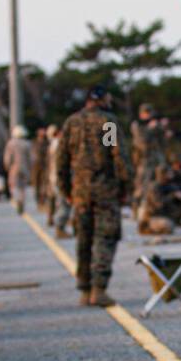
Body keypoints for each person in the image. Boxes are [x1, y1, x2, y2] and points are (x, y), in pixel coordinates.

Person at [57, 85, 130, 306]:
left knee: (84, 239)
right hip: (105, 191)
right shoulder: (107, 122)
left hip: (80, 192)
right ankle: (98, 288)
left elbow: (61, 160)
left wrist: (66, 190)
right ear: (100, 99)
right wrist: (125, 187)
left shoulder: (72, 122)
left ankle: (84, 288)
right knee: (105, 238)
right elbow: (118, 156)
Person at [130, 102, 170, 207]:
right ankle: (136, 208)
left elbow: (163, 144)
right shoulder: (137, 125)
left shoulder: (156, 126)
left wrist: (162, 129)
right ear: (141, 114)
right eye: (146, 113)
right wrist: (151, 129)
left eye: (150, 113)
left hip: (157, 160)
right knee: (142, 185)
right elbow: (142, 143)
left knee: (157, 184)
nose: (149, 116)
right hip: (144, 160)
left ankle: (152, 207)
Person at [3, 124, 32, 215]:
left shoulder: (11, 143)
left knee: (14, 186)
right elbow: (31, 158)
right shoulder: (27, 144)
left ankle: (17, 200)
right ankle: (22, 201)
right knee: (23, 188)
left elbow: (7, 158)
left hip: (14, 168)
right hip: (25, 168)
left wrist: (7, 167)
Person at [30, 127, 49, 210]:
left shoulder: (47, 143)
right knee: (36, 185)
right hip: (36, 166)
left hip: (45, 166)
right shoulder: (34, 142)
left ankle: (43, 202)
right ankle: (38, 202)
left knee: (44, 185)